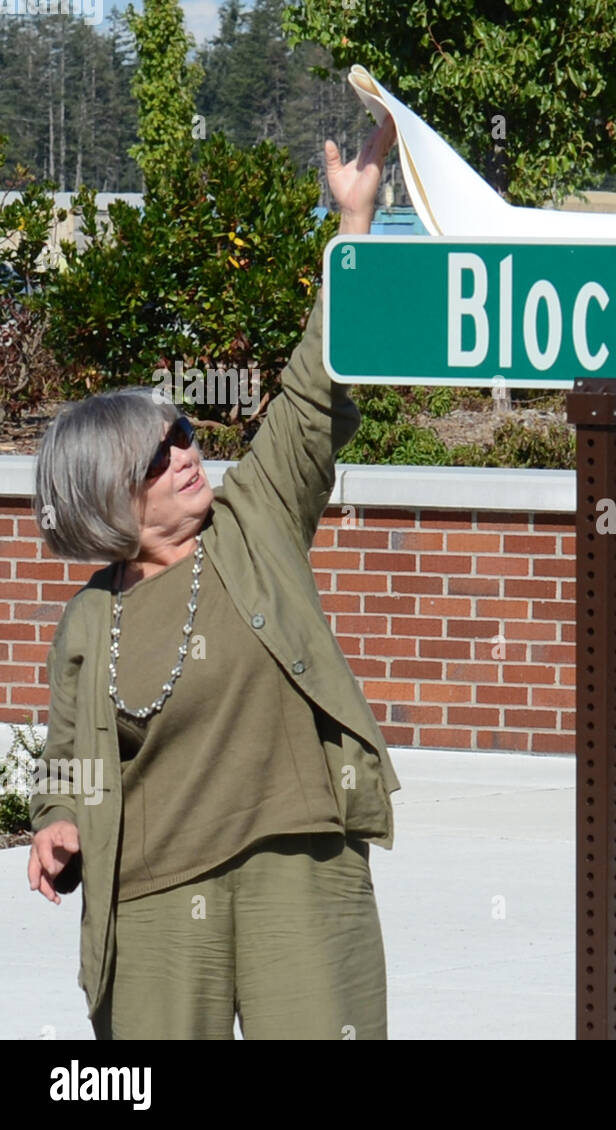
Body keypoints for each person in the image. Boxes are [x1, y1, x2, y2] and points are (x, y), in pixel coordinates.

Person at [26, 118, 402, 1040]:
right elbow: (73, 754)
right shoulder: (90, 623)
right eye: (156, 457)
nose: (186, 453)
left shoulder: (257, 516)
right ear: (110, 502)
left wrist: (353, 225)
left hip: (300, 866)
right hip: (153, 892)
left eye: (182, 433)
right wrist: (58, 821)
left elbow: (315, 386)